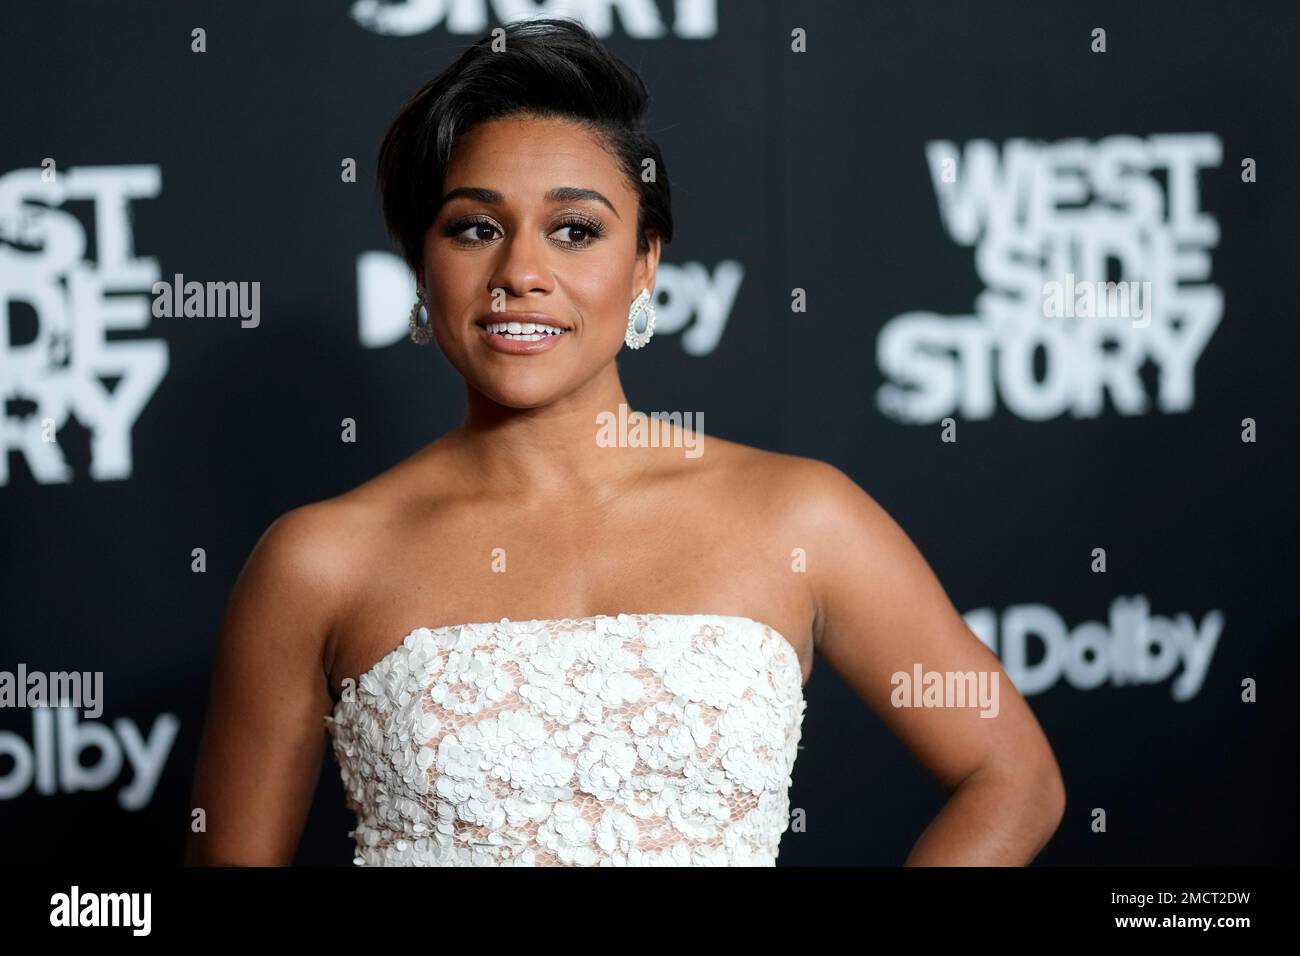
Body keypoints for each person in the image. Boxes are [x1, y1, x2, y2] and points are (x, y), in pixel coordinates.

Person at [184, 17, 1064, 867]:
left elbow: (1012, 778)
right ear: (422, 266)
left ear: (645, 263)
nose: (522, 273)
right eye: (474, 228)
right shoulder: (317, 562)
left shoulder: (802, 516)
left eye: (575, 230)